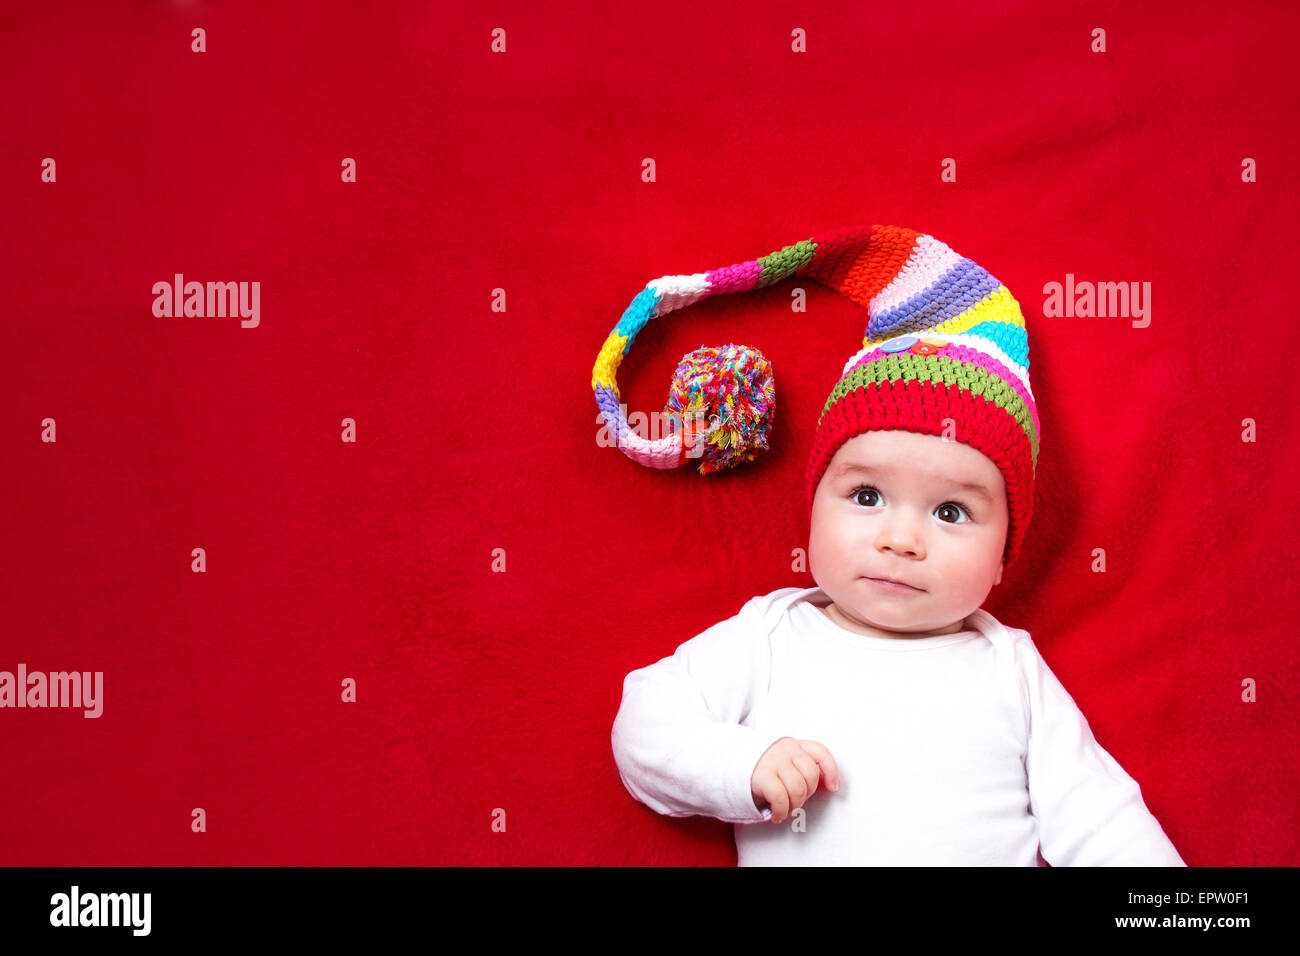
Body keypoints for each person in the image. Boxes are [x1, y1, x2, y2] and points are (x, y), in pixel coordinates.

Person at [595, 224, 1185, 865]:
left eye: (952, 511)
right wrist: (743, 764)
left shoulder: (1008, 668)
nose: (901, 540)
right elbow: (645, 729)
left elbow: (1102, 821)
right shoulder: (768, 637)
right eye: (868, 497)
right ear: (814, 507)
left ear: (1004, 553)